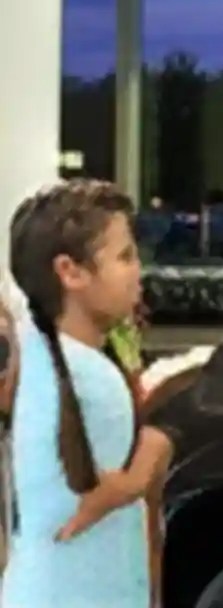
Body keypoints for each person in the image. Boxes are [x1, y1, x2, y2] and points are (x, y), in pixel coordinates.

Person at [0, 179, 176, 607]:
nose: (138, 271)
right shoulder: (91, 378)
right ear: (70, 271)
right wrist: (155, 451)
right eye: (124, 257)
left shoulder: (38, 353)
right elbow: (113, 497)